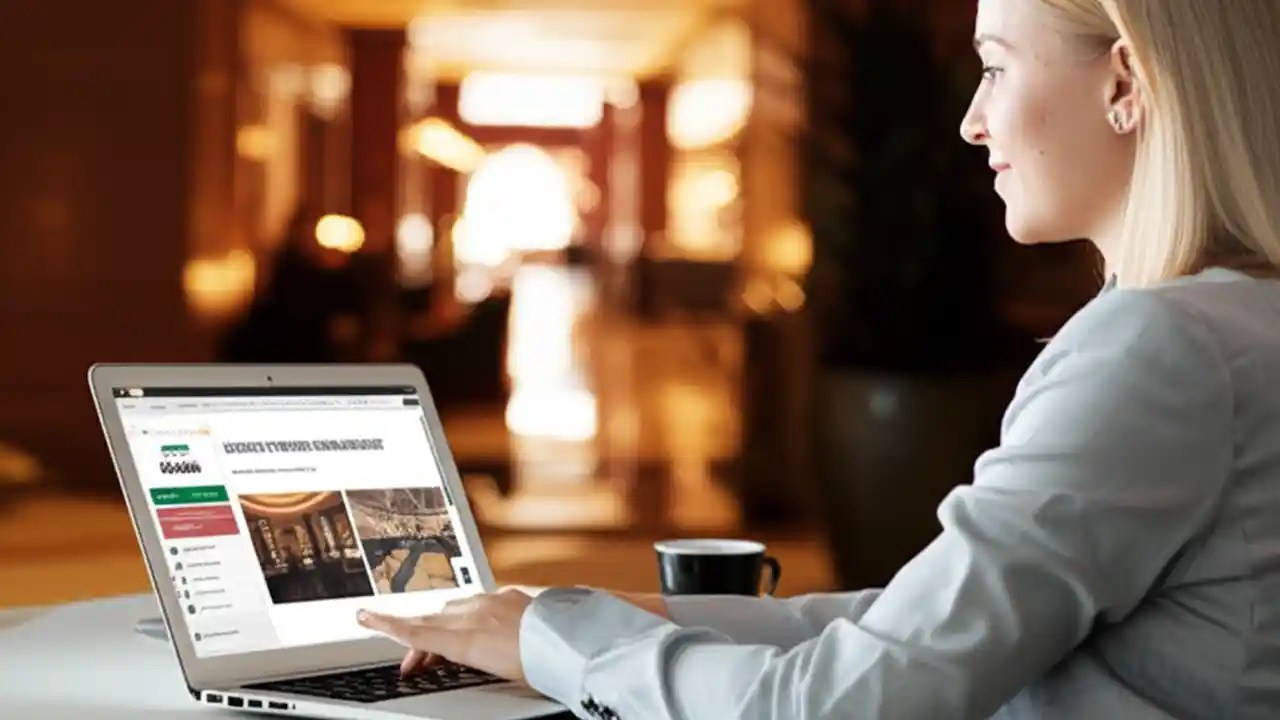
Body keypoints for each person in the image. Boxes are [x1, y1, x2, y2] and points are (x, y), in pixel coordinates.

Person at [357, 1, 1280, 717]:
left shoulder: (1159, 348)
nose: (971, 122)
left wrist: (559, 645)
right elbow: (918, 625)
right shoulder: (1240, 325)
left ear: (1126, 80)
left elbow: (852, 702)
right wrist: (617, 612)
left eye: (995, 69)